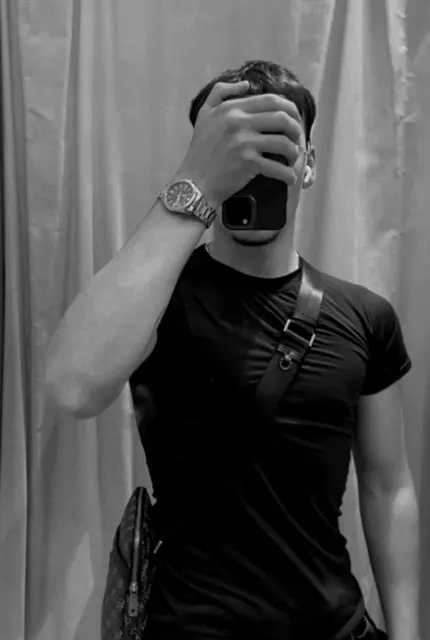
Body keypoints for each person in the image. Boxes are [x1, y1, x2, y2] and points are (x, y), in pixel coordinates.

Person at [44, 60, 419, 640]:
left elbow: (387, 485)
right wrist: (195, 182)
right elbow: (72, 389)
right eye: (235, 149)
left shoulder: (366, 317)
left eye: (275, 148)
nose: (254, 169)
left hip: (334, 627)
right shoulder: (154, 301)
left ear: (308, 164)